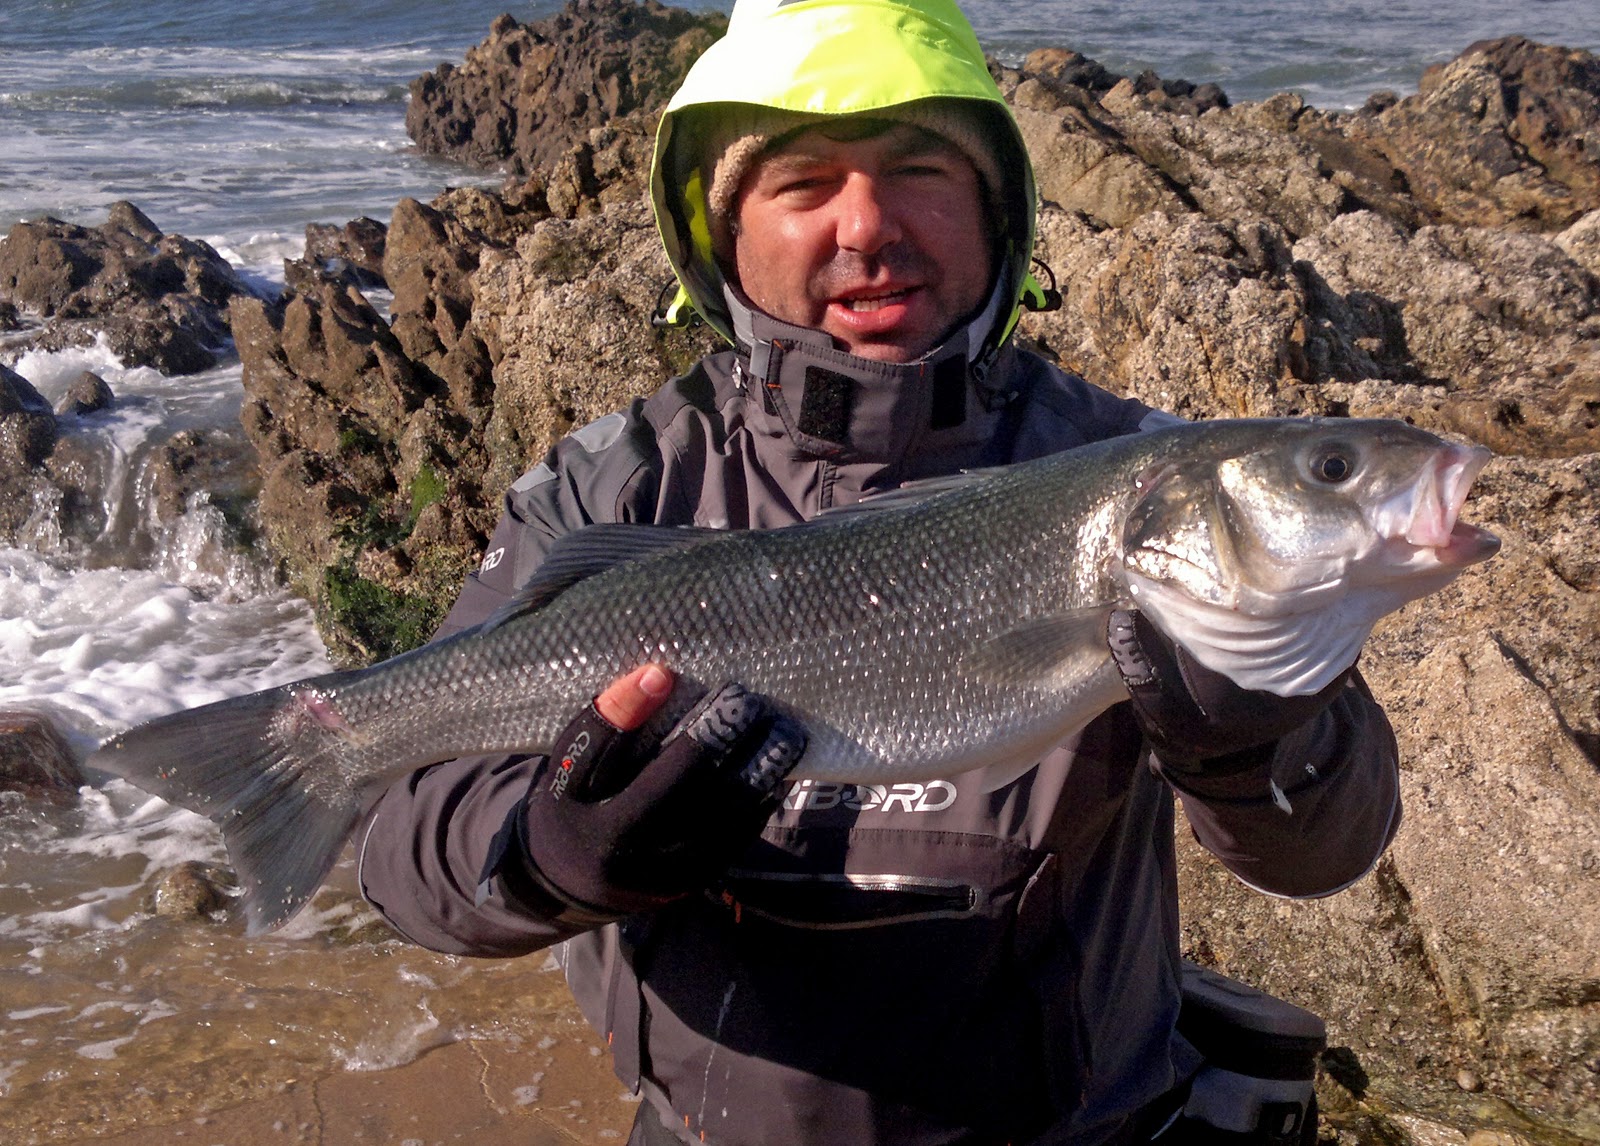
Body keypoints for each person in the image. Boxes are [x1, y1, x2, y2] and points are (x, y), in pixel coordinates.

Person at [356, 2, 1401, 1142]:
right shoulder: (611, 487)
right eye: (803, 184)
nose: (867, 226)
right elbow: (406, 852)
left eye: (918, 170)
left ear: (999, 212)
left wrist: (1256, 738)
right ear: (720, 235)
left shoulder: (1139, 480)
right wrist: (552, 853)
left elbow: (1327, 850)